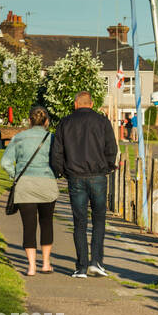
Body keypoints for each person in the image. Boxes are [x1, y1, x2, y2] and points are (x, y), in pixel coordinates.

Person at [50, 91, 118, 278]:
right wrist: (109, 166)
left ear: (75, 104)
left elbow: (57, 152)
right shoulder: (102, 122)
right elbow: (111, 148)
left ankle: (81, 266)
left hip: (75, 177)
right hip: (97, 176)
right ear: (92, 103)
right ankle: (96, 261)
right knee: (98, 220)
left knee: (79, 222)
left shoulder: (65, 123)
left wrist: (61, 171)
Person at [1, 105, 59, 276]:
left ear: (29, 121)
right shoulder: (53, 138)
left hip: (25, 186)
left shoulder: (18, 138)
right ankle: (46, 263)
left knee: (29, 226)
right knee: (46, 223)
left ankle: (31, 266)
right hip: (47, 185)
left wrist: (16, 175)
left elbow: (5, 162)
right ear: (47, 121)